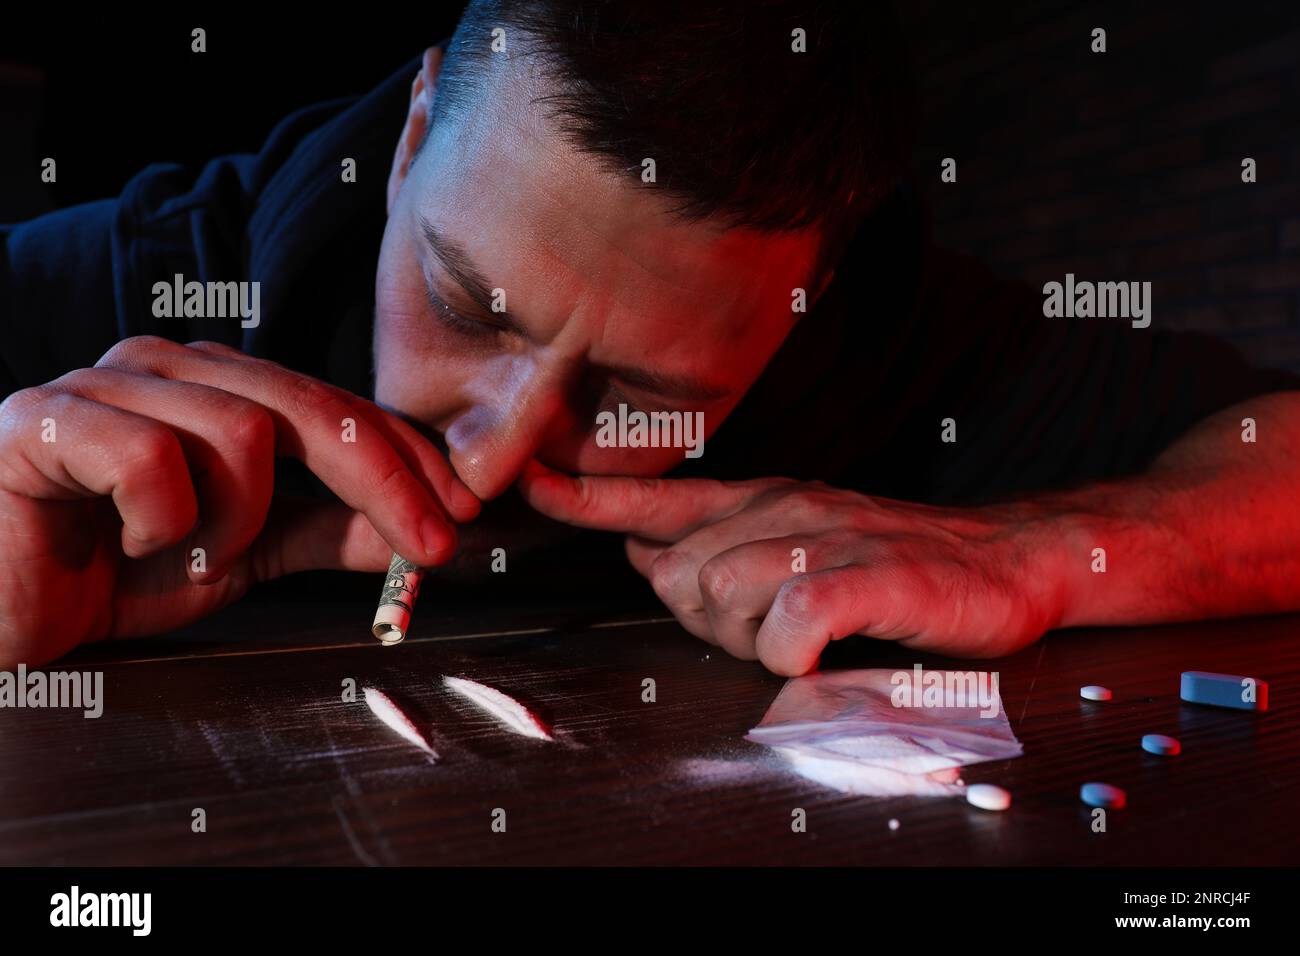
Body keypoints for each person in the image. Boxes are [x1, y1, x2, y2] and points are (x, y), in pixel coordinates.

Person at [2, 1, 1298, 673]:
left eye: (639, 393)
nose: (502, 458)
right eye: (466, 305)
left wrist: (1040, 553)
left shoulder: (887, 336)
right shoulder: (113, 284)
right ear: (413, 136)